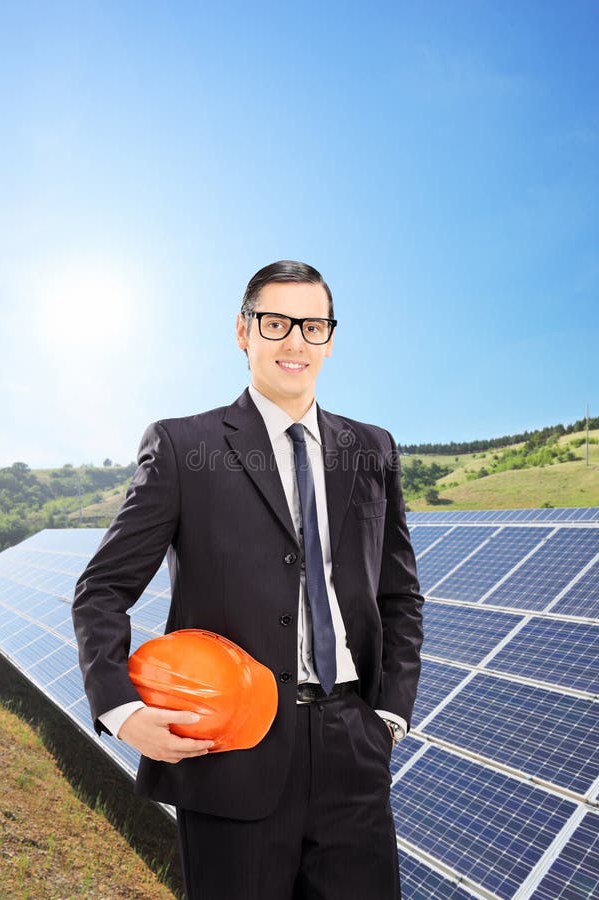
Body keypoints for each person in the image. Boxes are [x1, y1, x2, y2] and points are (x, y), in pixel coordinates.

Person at [72, 260, 424, 900]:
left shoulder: (372, 449)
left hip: (353, 749)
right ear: (243, 331)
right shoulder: (184, 446)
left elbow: (398, 595)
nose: (296, 341)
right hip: (230, 748)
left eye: (312, 326)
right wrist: (119, 709)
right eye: (277, 322)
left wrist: (391, 714)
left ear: (331, 338)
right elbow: (103, 589)